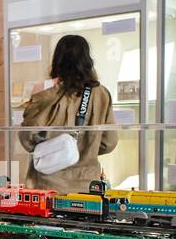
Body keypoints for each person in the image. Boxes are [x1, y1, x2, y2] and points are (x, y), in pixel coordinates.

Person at [18, 34, 118, 194]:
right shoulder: (101, 93)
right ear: (87, 59)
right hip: (87, 184)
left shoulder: (45, 90)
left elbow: (28, 140)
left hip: (47, 185)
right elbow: (109, 142)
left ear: (57, 59)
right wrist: (85, 150)